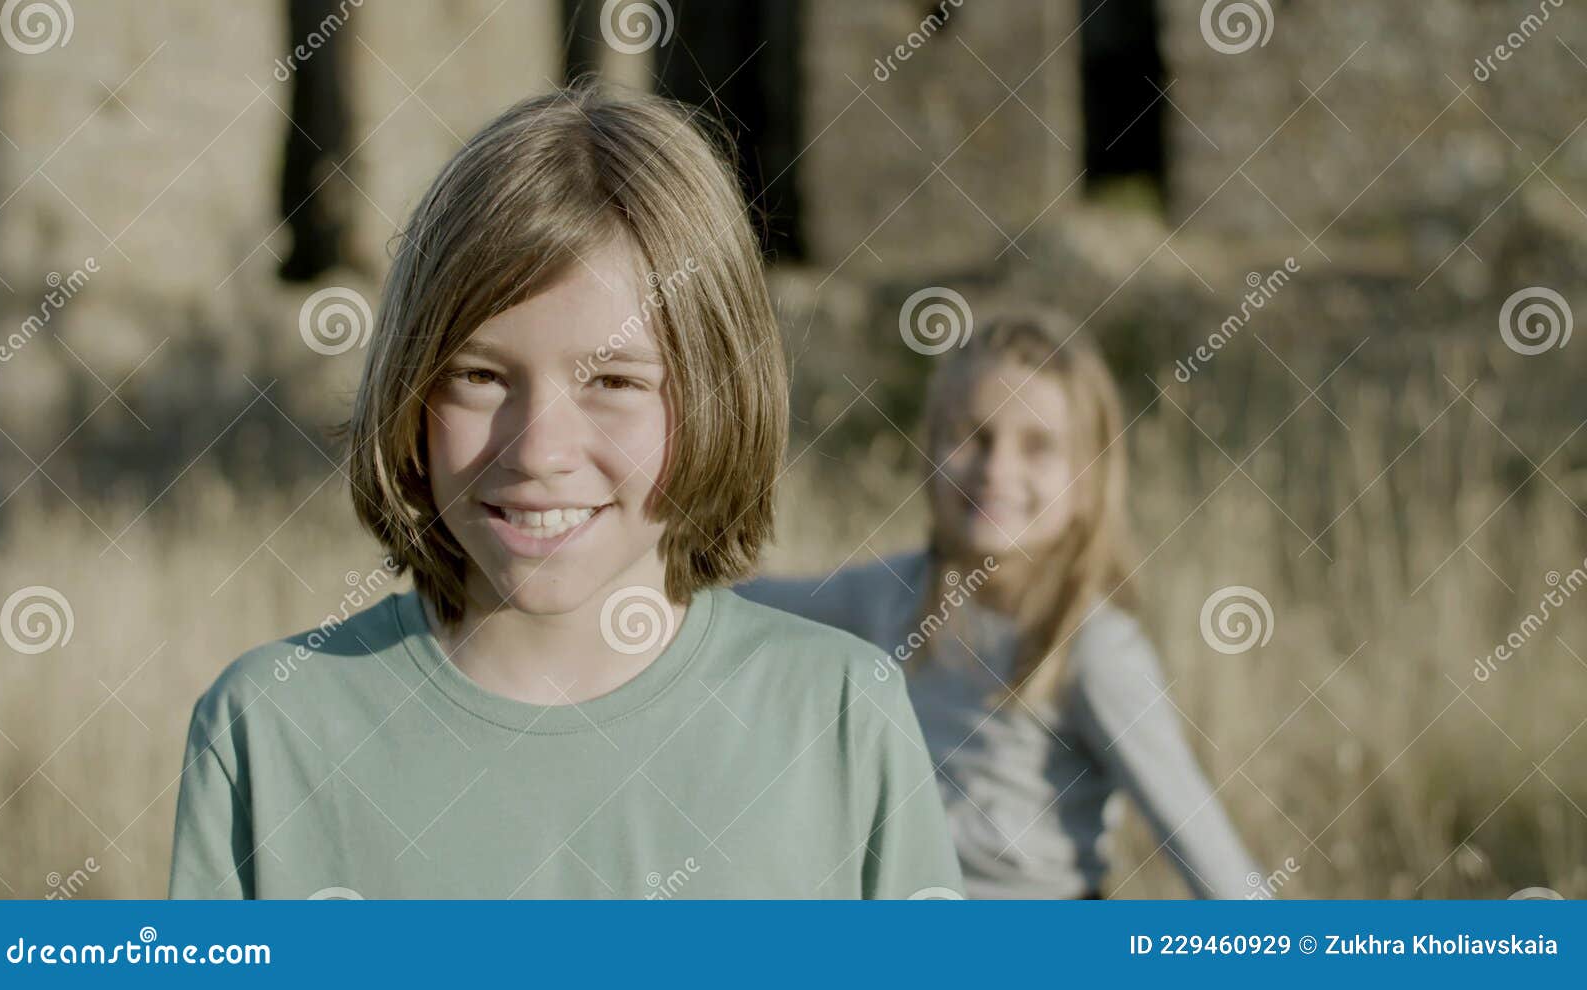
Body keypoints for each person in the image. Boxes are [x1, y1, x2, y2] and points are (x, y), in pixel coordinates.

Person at [167, 83, 962, 899]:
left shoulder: (835, 719)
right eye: (477, 376)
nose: (538, 450)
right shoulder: (269, 732)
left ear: (718, 393)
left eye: (614, 380)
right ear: (409, 391)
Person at [739, 305, 1261, 899]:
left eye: (1037, 446)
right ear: (929, 452)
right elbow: (740, 607)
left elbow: (1202, 845)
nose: (996, 470)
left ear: (1088, 482)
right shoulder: (889, 593)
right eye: (972, 437)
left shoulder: (1094, 649)